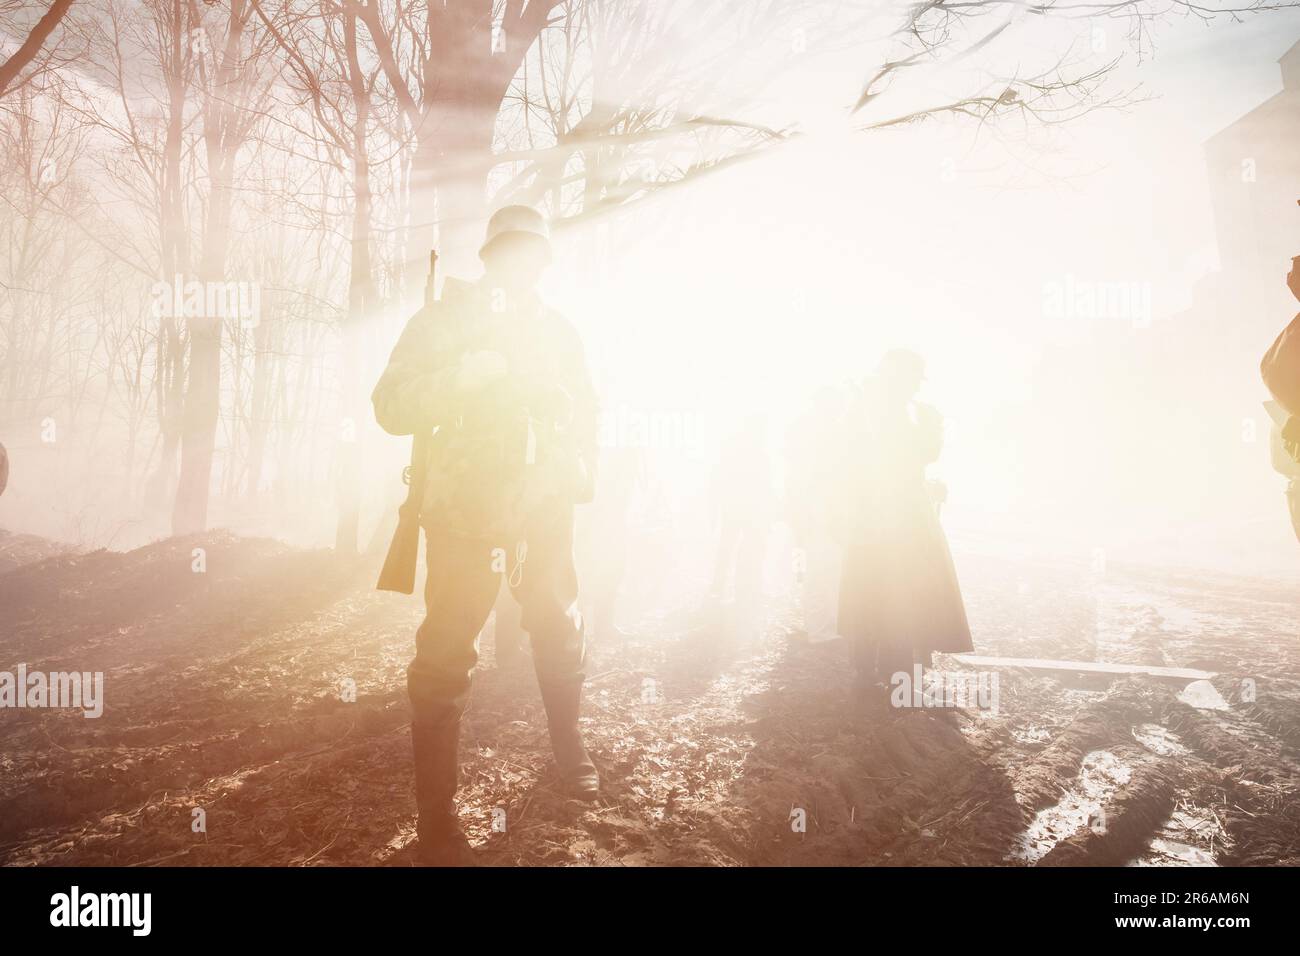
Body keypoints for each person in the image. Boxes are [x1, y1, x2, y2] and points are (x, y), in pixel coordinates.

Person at [372, 205, 600, 866]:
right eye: (509, 252)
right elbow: (389, 404)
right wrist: (459, 379)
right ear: (490, 258)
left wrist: (580, 468)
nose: (521, 265)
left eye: (533, 254)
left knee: (558, 625)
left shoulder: (559, 332)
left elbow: (588, 411)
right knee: (445, 654)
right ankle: (437, 821)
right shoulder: (444, 321)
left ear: (543, 262)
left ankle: (569, 749)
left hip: (543, 507)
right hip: (463, 514)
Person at [836, 349, 972, 700]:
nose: (916, 388)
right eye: (912, 380)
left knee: (872, 592)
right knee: (900, 594)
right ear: (900, 379)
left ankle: (871, 673)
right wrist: (932, 427)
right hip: (897, 518)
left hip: (872, 516)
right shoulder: (886, 410)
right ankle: (897, 678)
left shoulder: (866, 405)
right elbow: (911, 456)